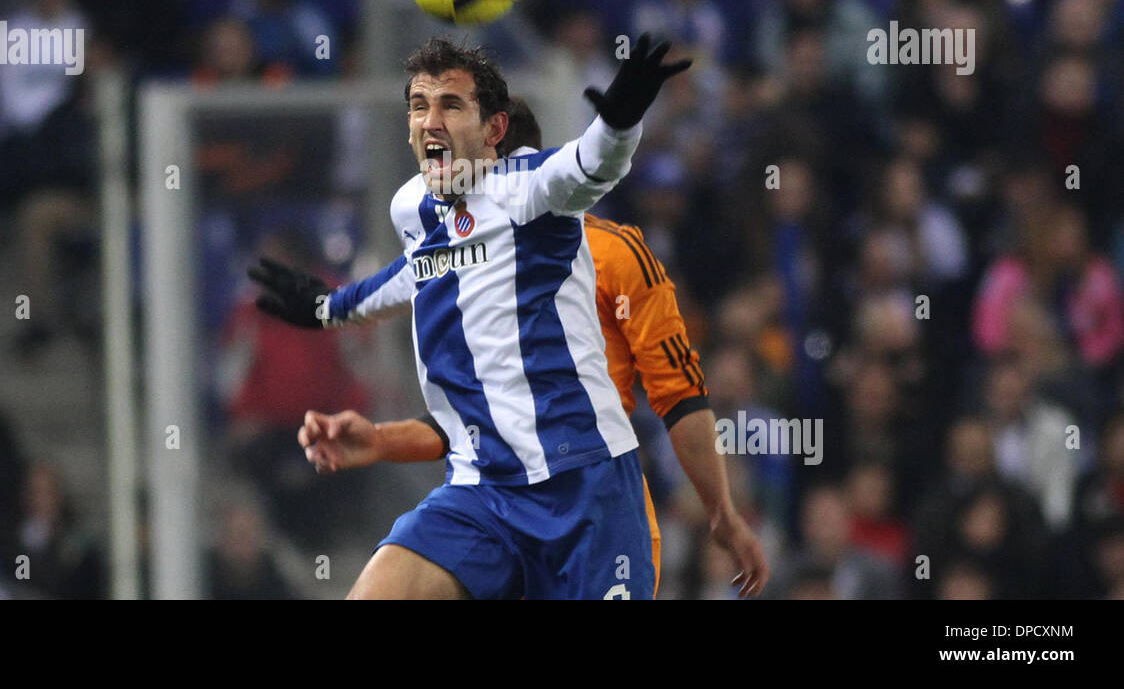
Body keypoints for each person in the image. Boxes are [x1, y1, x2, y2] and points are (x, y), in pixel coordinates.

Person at [250, 34, 688, 599]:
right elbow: (416, 270)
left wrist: (621, 120)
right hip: (482, 492)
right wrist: (327, 308)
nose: (430, 121)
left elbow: (590, 164)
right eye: (418, 105)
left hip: (584, 488)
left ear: (494, 131)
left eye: (451, 105)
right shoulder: (414, 208)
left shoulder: (528, 190)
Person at [290, 96, 769, 598]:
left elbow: (679, 395)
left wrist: (722, 513)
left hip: (590, 499)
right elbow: (477, 421)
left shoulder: (616, 255)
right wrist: (380, 440)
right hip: (492, 504)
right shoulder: (450, 263)